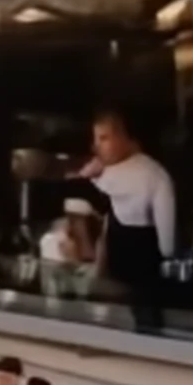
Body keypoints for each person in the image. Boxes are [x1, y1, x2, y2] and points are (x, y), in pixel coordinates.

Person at [74, 110, 175, 324]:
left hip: (135, 289)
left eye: (104, 138)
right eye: (95, 139)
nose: (96, 146)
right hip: (114, 289)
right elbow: (168, 247)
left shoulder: (151, 176)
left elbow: (167, 245)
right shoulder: (154, 175)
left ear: (123, 137)